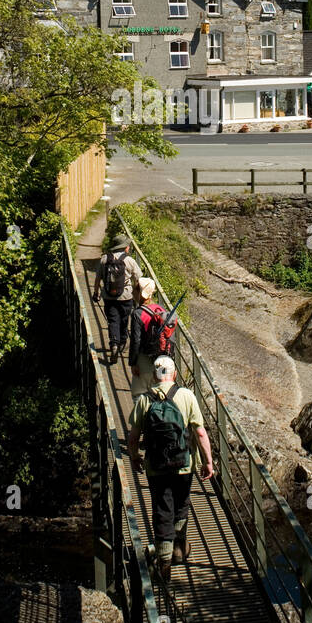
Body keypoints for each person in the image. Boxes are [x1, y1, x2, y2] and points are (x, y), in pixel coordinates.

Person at [128, 356, 214, 586]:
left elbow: (133, 436)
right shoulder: (186, 396)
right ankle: (178, 549)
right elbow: (201, 433)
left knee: (162, 508)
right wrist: (208, 462)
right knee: (181, 503)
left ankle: (164, 563)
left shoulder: (144, 401)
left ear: (155, 376)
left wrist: (135, 457)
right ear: (174, 374)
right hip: (183, 464)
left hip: (156, 467)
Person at [92, 235, 142, 365]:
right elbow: (138, 278)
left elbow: (98, 278)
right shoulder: (129, 260)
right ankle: (122, 343)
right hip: (126, 296)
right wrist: (138, 295)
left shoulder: (104, 259)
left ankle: (114, 343)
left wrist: (96, 292)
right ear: (125, 247)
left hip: (109, 296)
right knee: (124, 320)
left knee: (113, 320)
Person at [128, 277, 172, 398]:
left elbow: (136, 341)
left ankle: (142, 417)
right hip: (162, 358)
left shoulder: (138, 314)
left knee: (139, 394)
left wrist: (133, 363)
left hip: (144, 360)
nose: (133, 293)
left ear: (140, 293)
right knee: (159, 395)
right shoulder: (161, 310)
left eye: (135, 290)